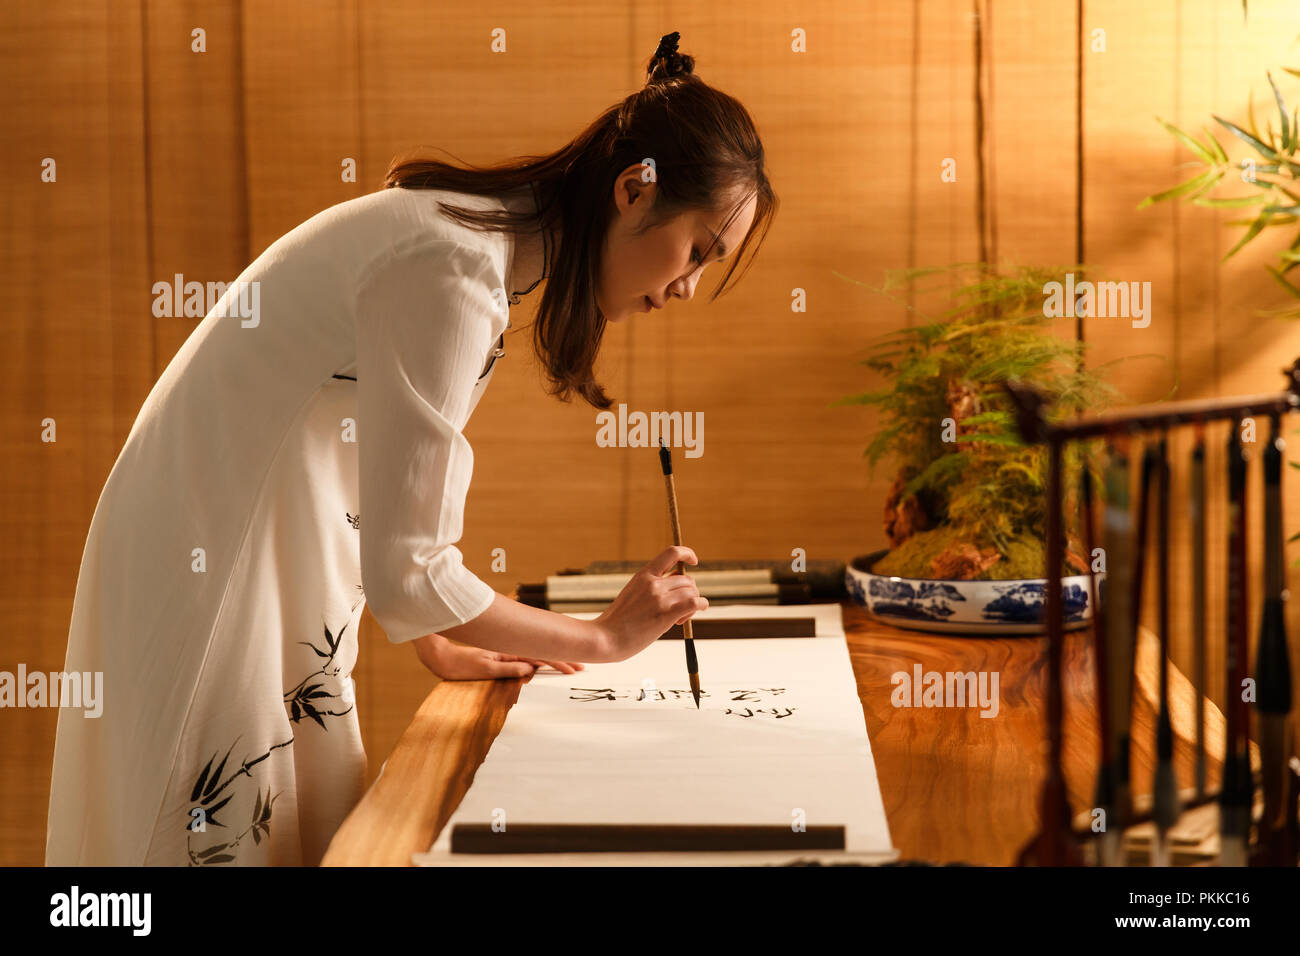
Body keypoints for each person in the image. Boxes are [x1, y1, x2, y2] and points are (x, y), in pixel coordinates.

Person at [45, 30, 777, 866]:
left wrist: (438, 639)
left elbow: (382, 492)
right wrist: (602, 639)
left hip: (253, 544)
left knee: (285, 827)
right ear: (633, 193)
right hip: (211, 554)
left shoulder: (481, 254)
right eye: (697, 253)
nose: (686, 288)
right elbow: (412, 568)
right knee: (209, 830)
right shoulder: (455, 268)